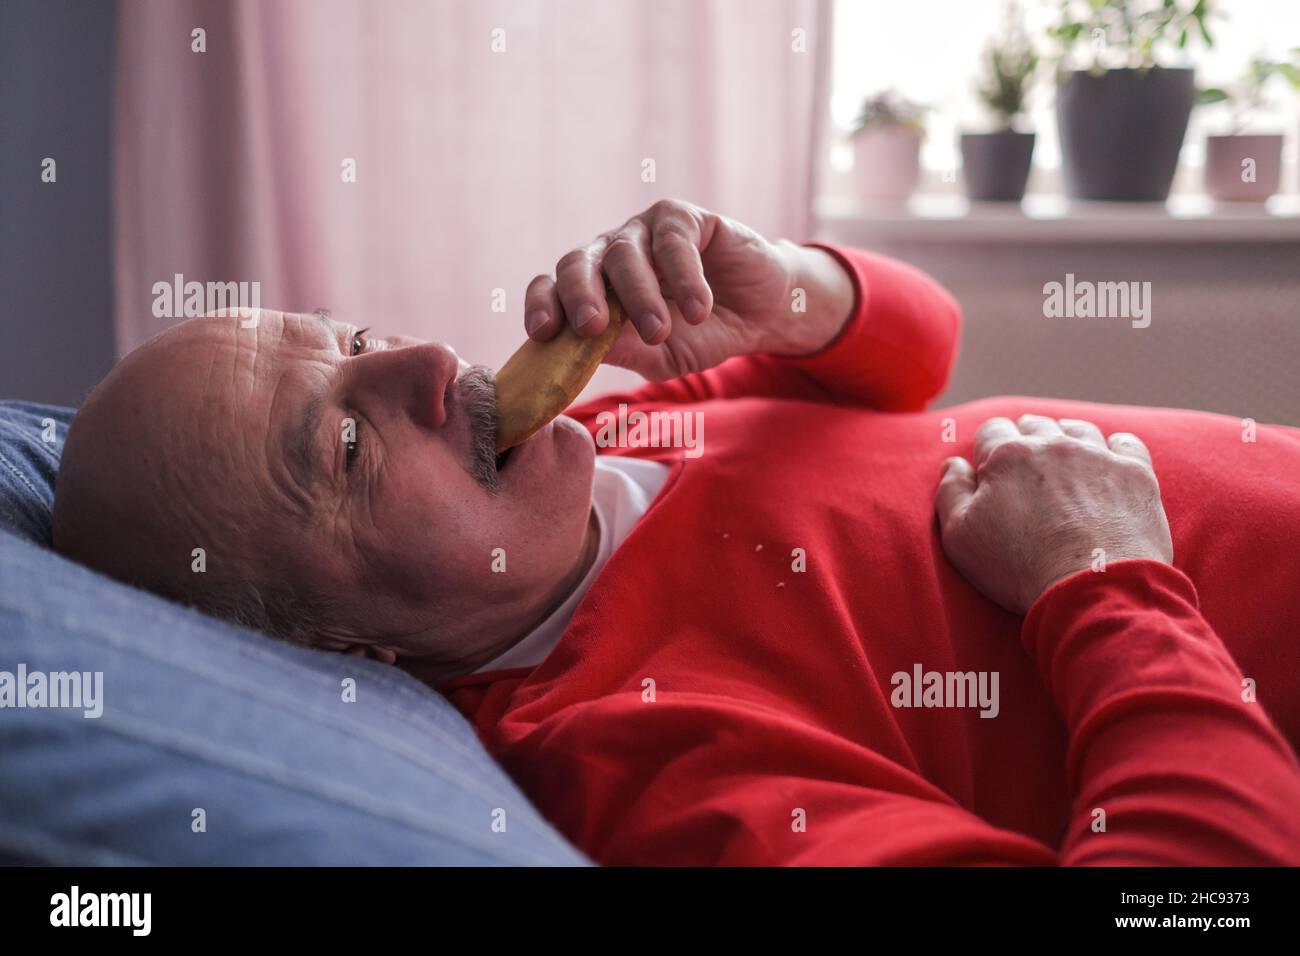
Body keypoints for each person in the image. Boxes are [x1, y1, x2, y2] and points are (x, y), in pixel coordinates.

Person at [52, 199, 1300, 865]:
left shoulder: (624, 436)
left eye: (359, 338)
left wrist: (787, 293)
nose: (431, 359)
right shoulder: (652, 769)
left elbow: (916, 354)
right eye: (342, 447)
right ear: (340, 647)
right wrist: (1104, 579)